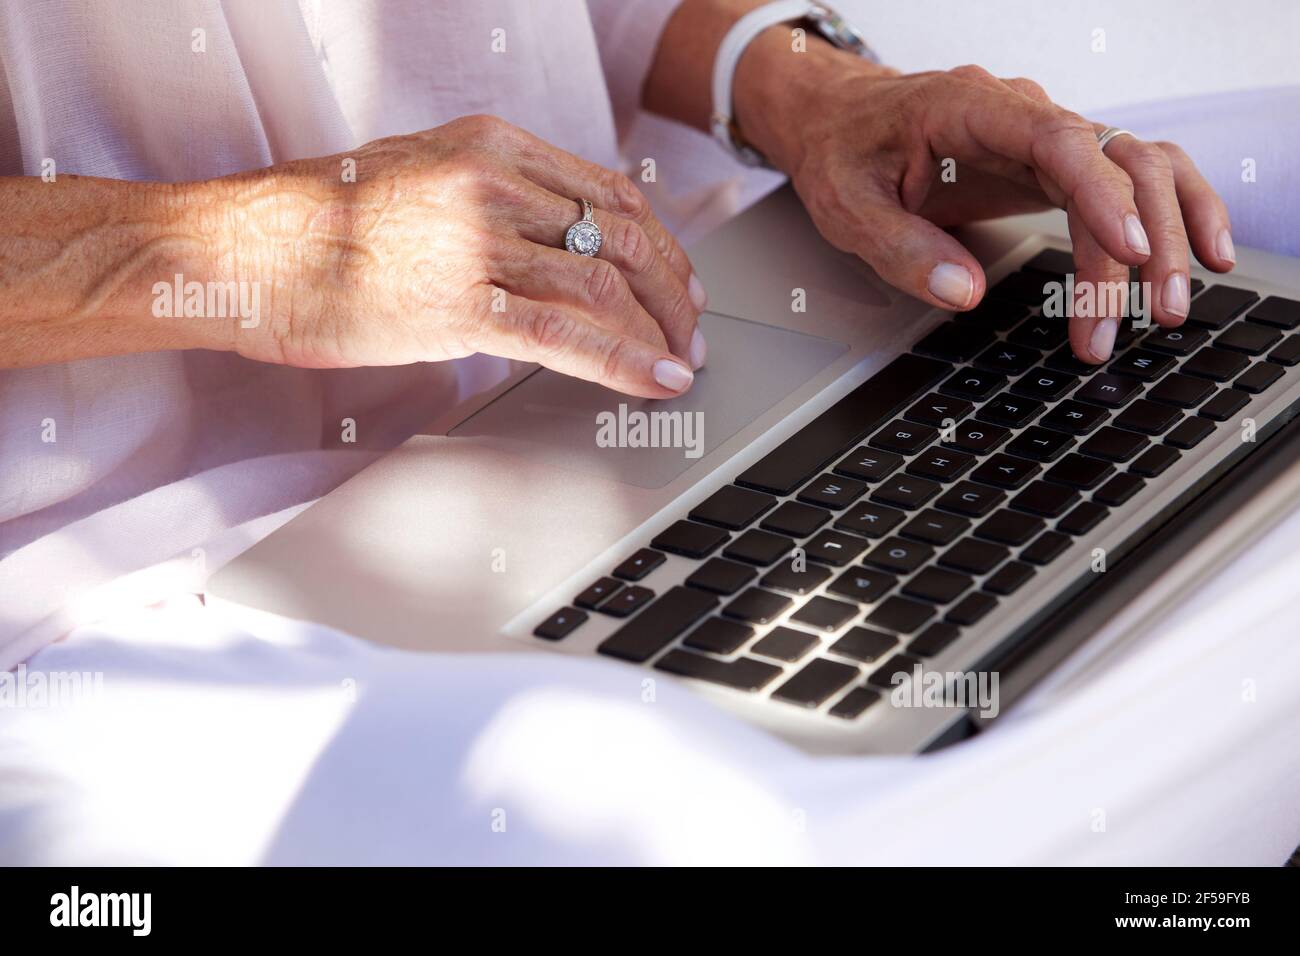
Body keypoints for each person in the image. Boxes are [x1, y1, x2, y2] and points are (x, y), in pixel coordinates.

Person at [0, 1, 1295, 865]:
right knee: (716, 817)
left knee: (1219, 250)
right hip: (147, 565)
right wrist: (217, 247)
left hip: (689, 305)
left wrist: (805, 89)